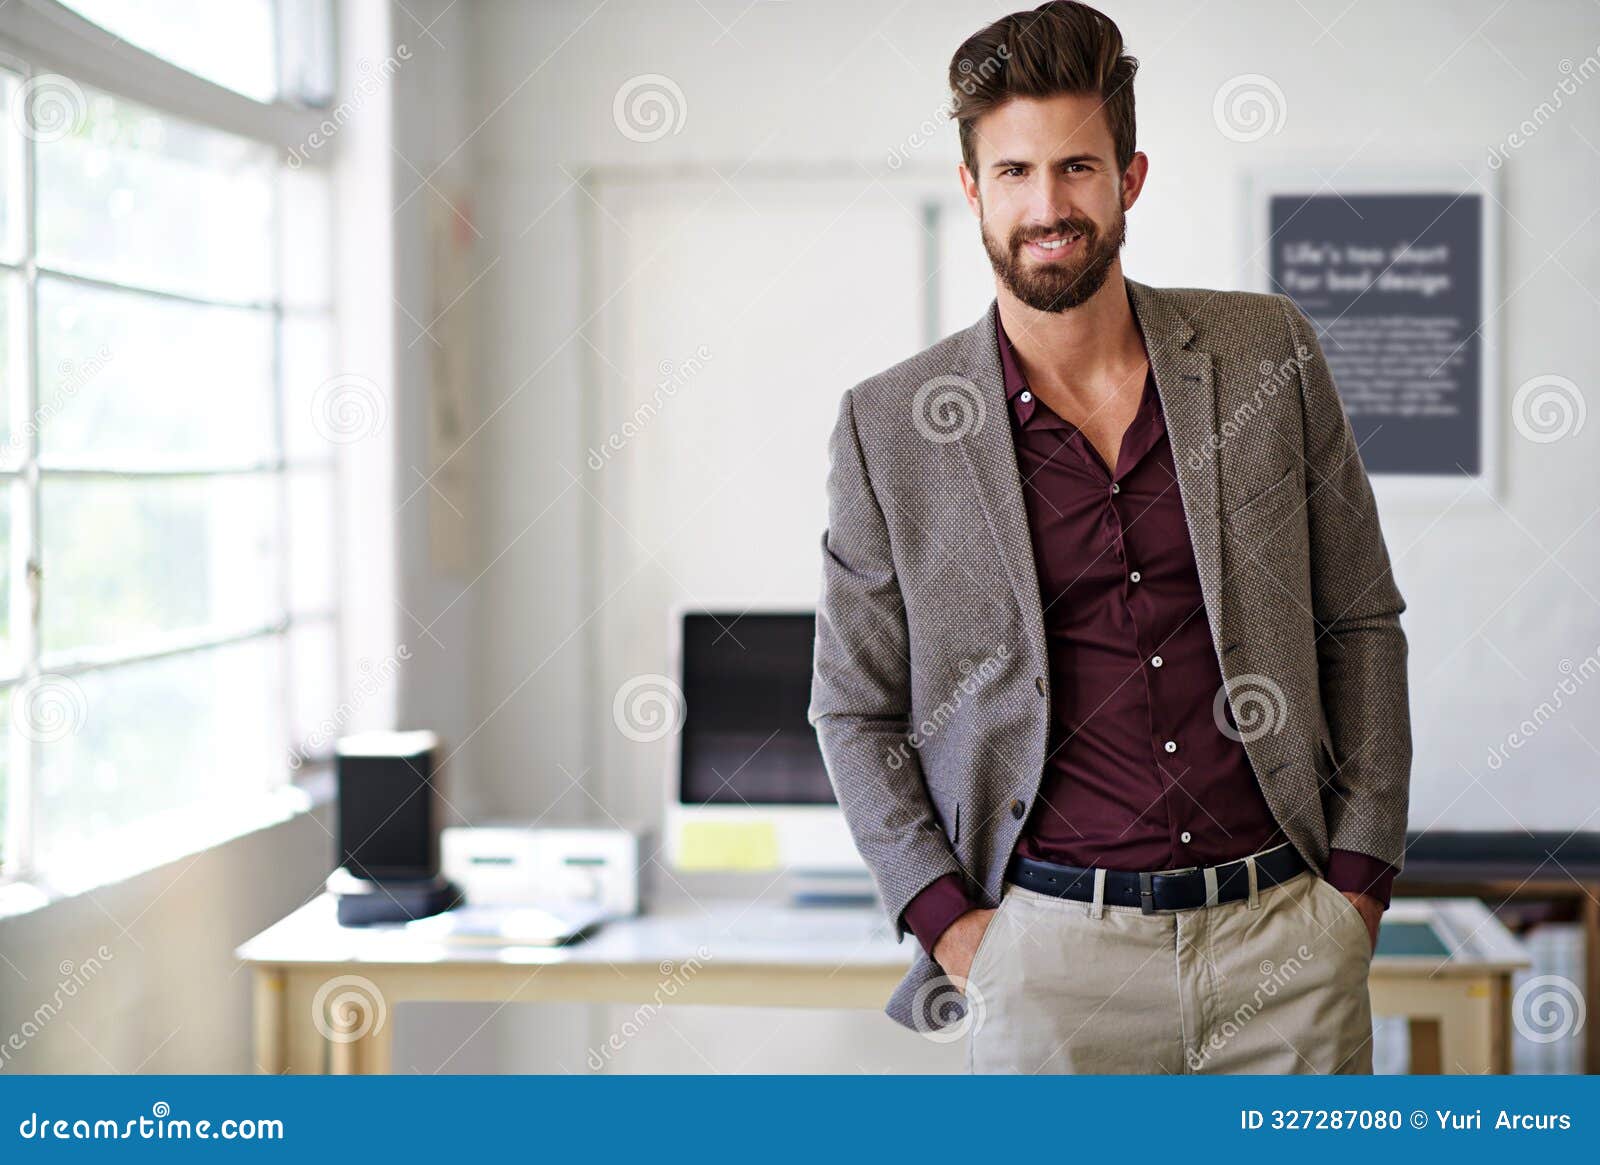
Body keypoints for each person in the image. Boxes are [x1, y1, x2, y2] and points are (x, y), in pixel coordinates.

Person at [808, 0, 1411, 1074]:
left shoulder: (1267, 349)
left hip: (1283, 936)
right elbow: (853, 707)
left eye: (1078, 168)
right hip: (1047, 961)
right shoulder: (889, 425)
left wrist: (1357, 881)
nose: (1049, 206)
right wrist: (948, 921)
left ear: (1129, 177)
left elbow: (1359, 617)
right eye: (1015, 173)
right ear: (971, 190)